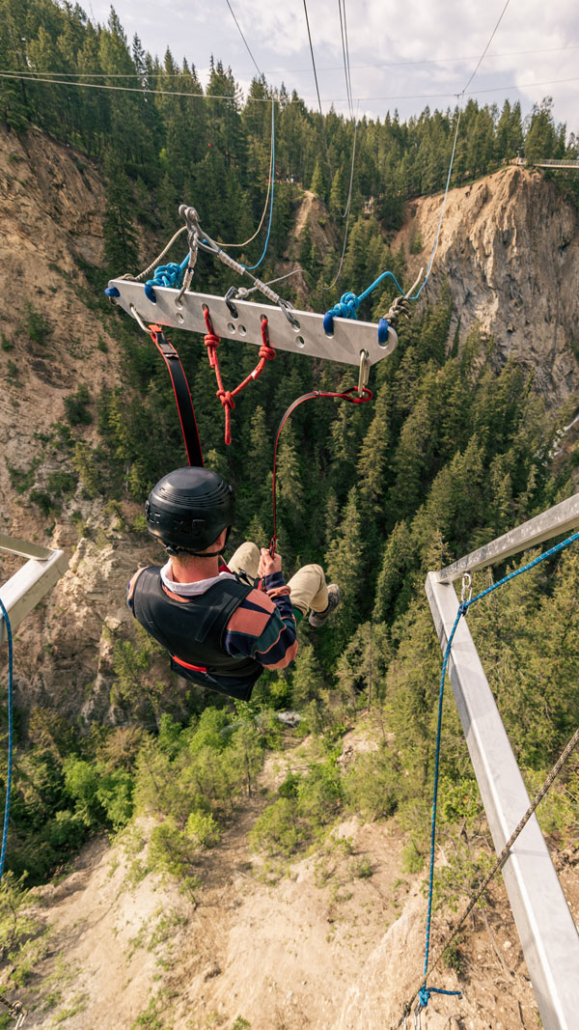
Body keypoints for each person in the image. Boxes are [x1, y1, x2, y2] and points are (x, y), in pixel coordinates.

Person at [127, 467, 340, 701]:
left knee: (248, 550)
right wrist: (274, 582)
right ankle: (322, 611)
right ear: (220, 538)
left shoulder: (137, 585)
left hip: (199, 653)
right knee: (314, 573)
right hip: (240, 655)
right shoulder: (253, 613)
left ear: (159, 537)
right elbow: (284, 656)